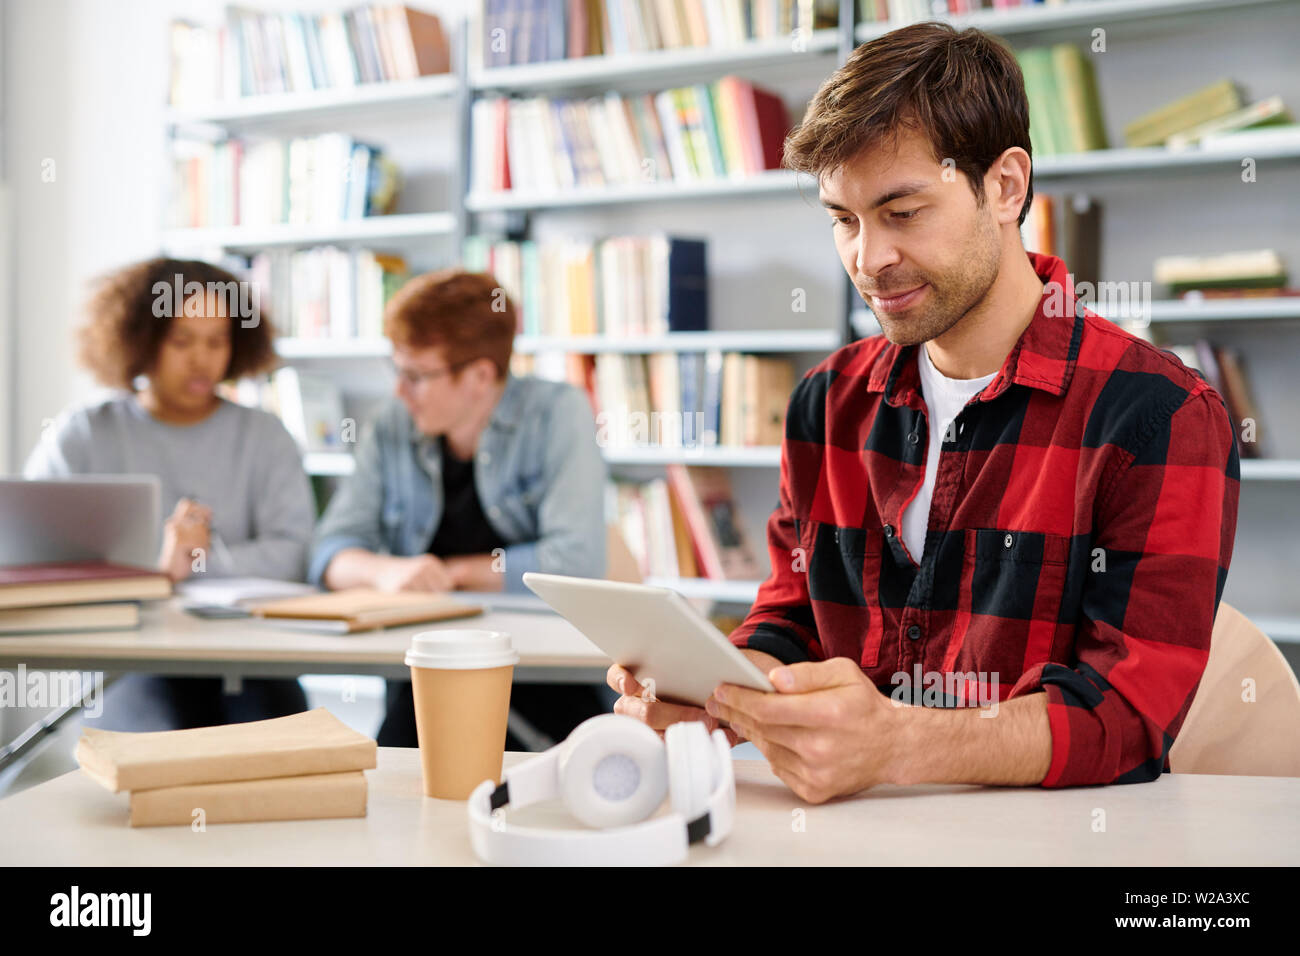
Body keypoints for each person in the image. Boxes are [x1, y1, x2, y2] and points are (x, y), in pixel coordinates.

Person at [609, 22, 1240, 800]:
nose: (867, 261)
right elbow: (794, 617)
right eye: (843, 219)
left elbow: (1127, 715)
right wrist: (724, 691)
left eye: (902, 212)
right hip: (842, 837)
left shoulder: (1158, 414)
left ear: (1006, 187)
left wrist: (904, 744)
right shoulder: (826, 402)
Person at [309, 267, 608, 748]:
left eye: (416, 375)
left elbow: (577, 564)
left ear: (480, 376)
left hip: (544, 676)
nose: (399, 391)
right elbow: (328, 553)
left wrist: (450, 573)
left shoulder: (558, 413)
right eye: (398, 371)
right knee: (396, 774)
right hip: (427, 668)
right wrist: (384, 572)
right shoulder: (393, 425)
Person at [24, 257, 315, 729]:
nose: (201, 359)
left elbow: (295, 553)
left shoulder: (265, 436)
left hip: (252, 658)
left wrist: (200, 562)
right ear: (141, 341)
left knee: (277, 753)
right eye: (182, 341)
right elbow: (32, 557)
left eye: (216, 341)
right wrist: (155, 573)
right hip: (130, 662)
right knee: (164, 754)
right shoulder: (83, 434)